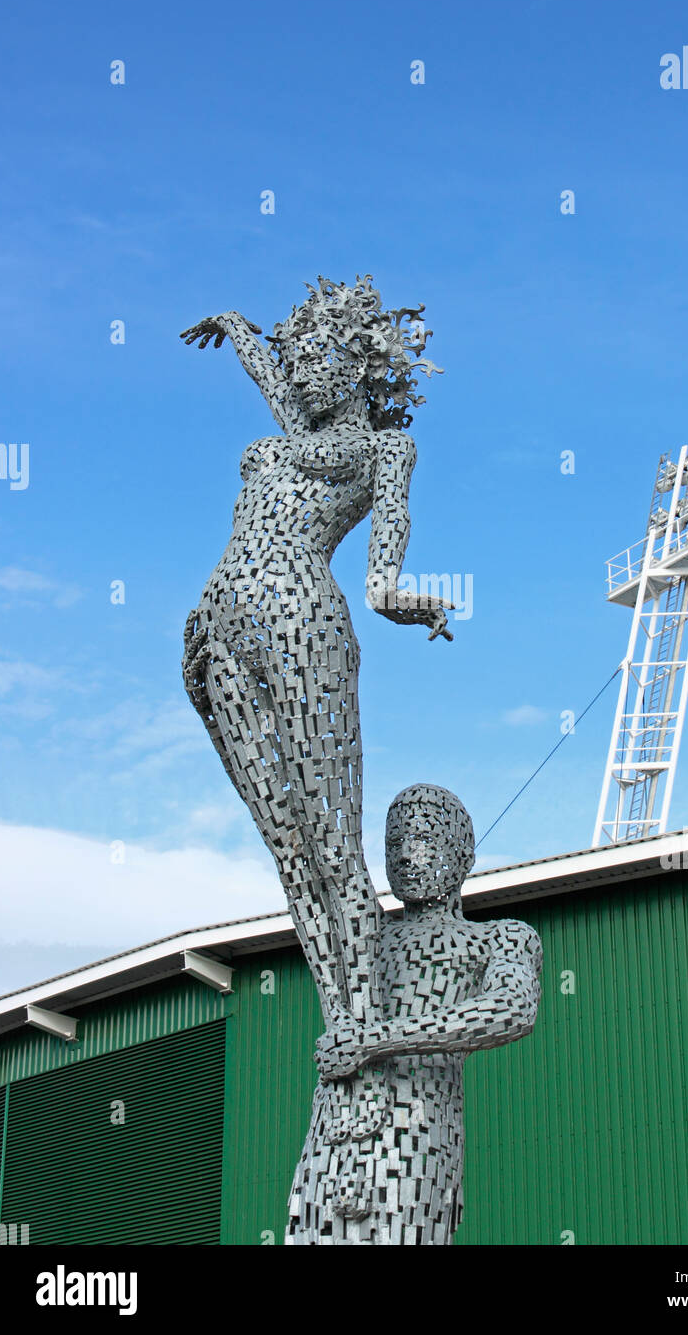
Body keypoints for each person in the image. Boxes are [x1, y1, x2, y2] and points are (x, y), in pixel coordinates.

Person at [179, 276, 451, 1028]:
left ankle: (369, 1014)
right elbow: (275, 387)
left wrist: (411, 605)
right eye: (292, 361)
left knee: (331, 837)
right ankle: (340, 1018)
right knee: (286, 842)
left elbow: (383, 568)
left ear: (355, 364)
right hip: (222, 632)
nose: (299, 374)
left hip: (302, 621)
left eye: (315, 358)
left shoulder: (387, 449)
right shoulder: (293, 432)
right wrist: (238, 326)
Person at [286, 783, 543, 1245]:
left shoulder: (499, 937)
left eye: (423, 840)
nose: (406, 856)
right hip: (330, 1134)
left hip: (418, 1132)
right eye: (394, 844)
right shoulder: (361, 940)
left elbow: (511, 1008)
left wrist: (373, 1041)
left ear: (462, 853)